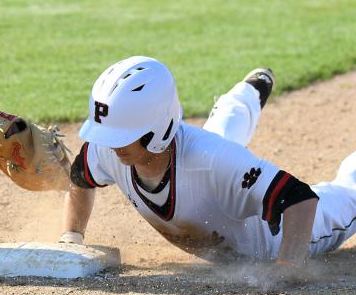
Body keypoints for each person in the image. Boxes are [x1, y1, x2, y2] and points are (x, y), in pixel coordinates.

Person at [60, 56, 356, 282]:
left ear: (156, 128)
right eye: (107, 134)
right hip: (205, 163)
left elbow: (300, 200)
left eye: (121, 136)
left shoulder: (212, 160)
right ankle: (247, 94)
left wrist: (288, 266)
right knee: (213, 148)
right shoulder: (108, 148)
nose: (112, 145)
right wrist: (72, 236)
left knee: (351, 194)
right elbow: (80, 179)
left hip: (270, 239)